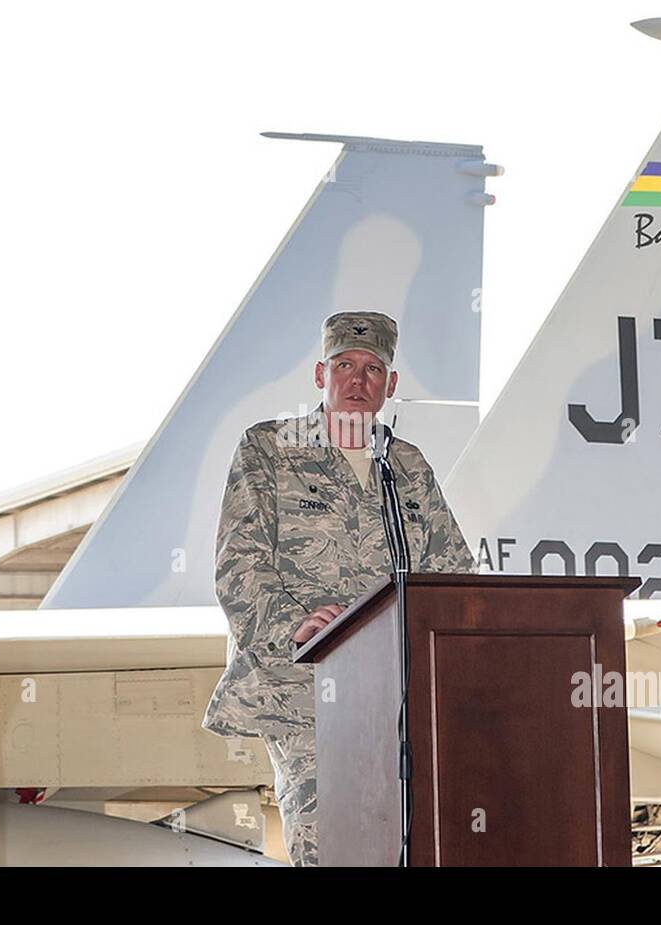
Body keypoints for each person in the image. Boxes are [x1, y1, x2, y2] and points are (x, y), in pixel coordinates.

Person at [201, 310, 475, 866]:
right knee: (327, 839)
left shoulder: (406, 465)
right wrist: (292, 626)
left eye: (373, 369)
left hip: (398, 691)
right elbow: (239, 563)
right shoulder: (270, 449)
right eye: (344, 365)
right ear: (319, 376)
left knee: (409, 840)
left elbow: (453, 572)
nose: (357, 380)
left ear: (390, 386)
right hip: (306, 682)